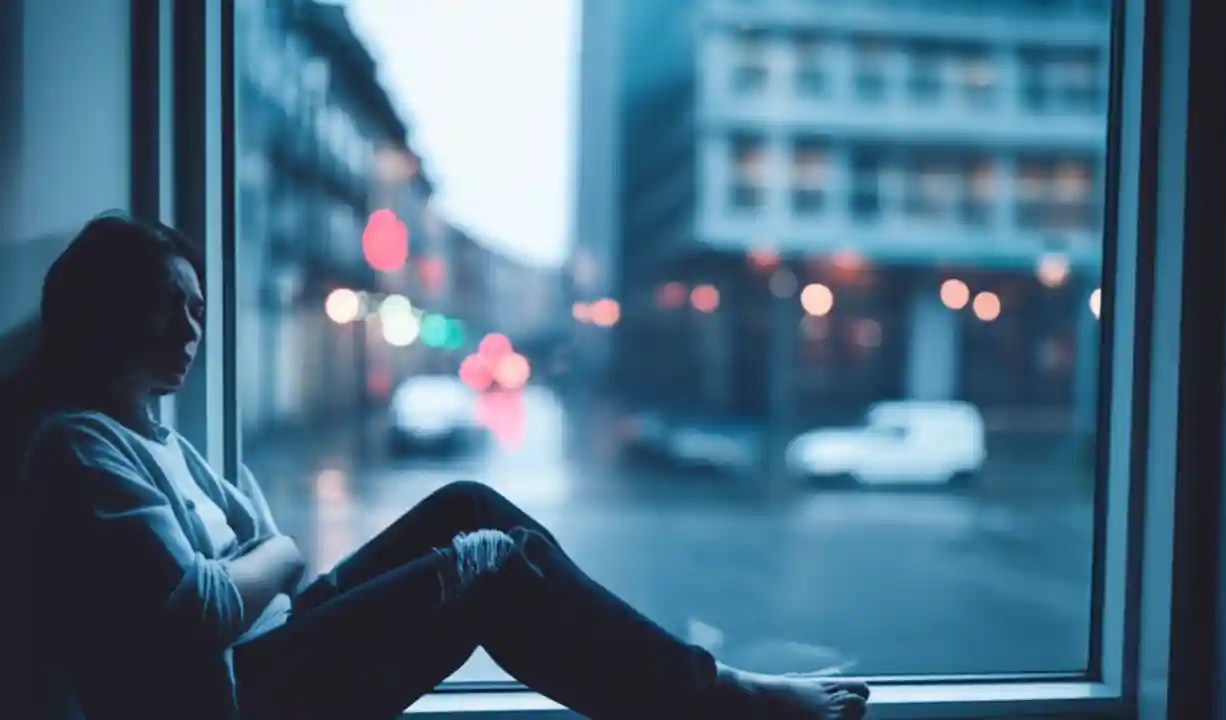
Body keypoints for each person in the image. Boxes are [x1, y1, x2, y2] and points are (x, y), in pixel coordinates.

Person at [15, 213, 872, 720]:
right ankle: (722, 701)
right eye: (165, 306)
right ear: (103, 310)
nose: (190, 330)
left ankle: (712, 691)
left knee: (468, 504)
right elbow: (207, 605)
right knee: (494, 573)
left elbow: (263, 561)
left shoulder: (168, 444)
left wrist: (267, 561)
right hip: (241, 696)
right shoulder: (78, 445)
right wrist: (272, 557)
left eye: (197, 309)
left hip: (277, 640)